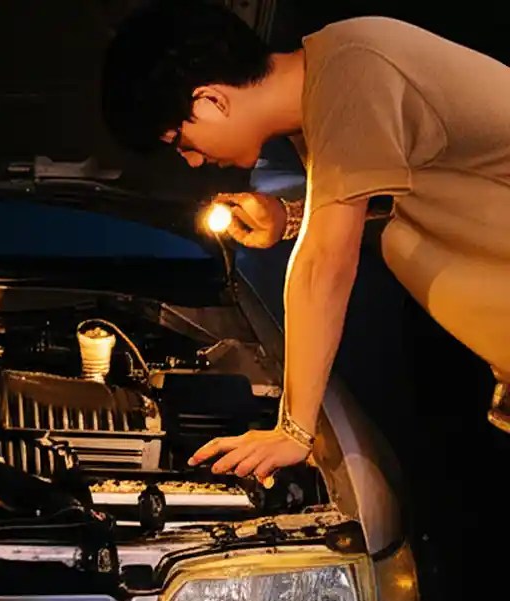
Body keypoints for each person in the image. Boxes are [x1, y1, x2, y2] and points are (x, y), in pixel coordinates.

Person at [100, 0, 510, 478]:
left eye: (181, 142)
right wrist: (290, 218)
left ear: (209, 100)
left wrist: (292, 430)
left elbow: (325, 263)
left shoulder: (354, 71)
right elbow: (408, 203)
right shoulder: (333, 81)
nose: (191, 161)